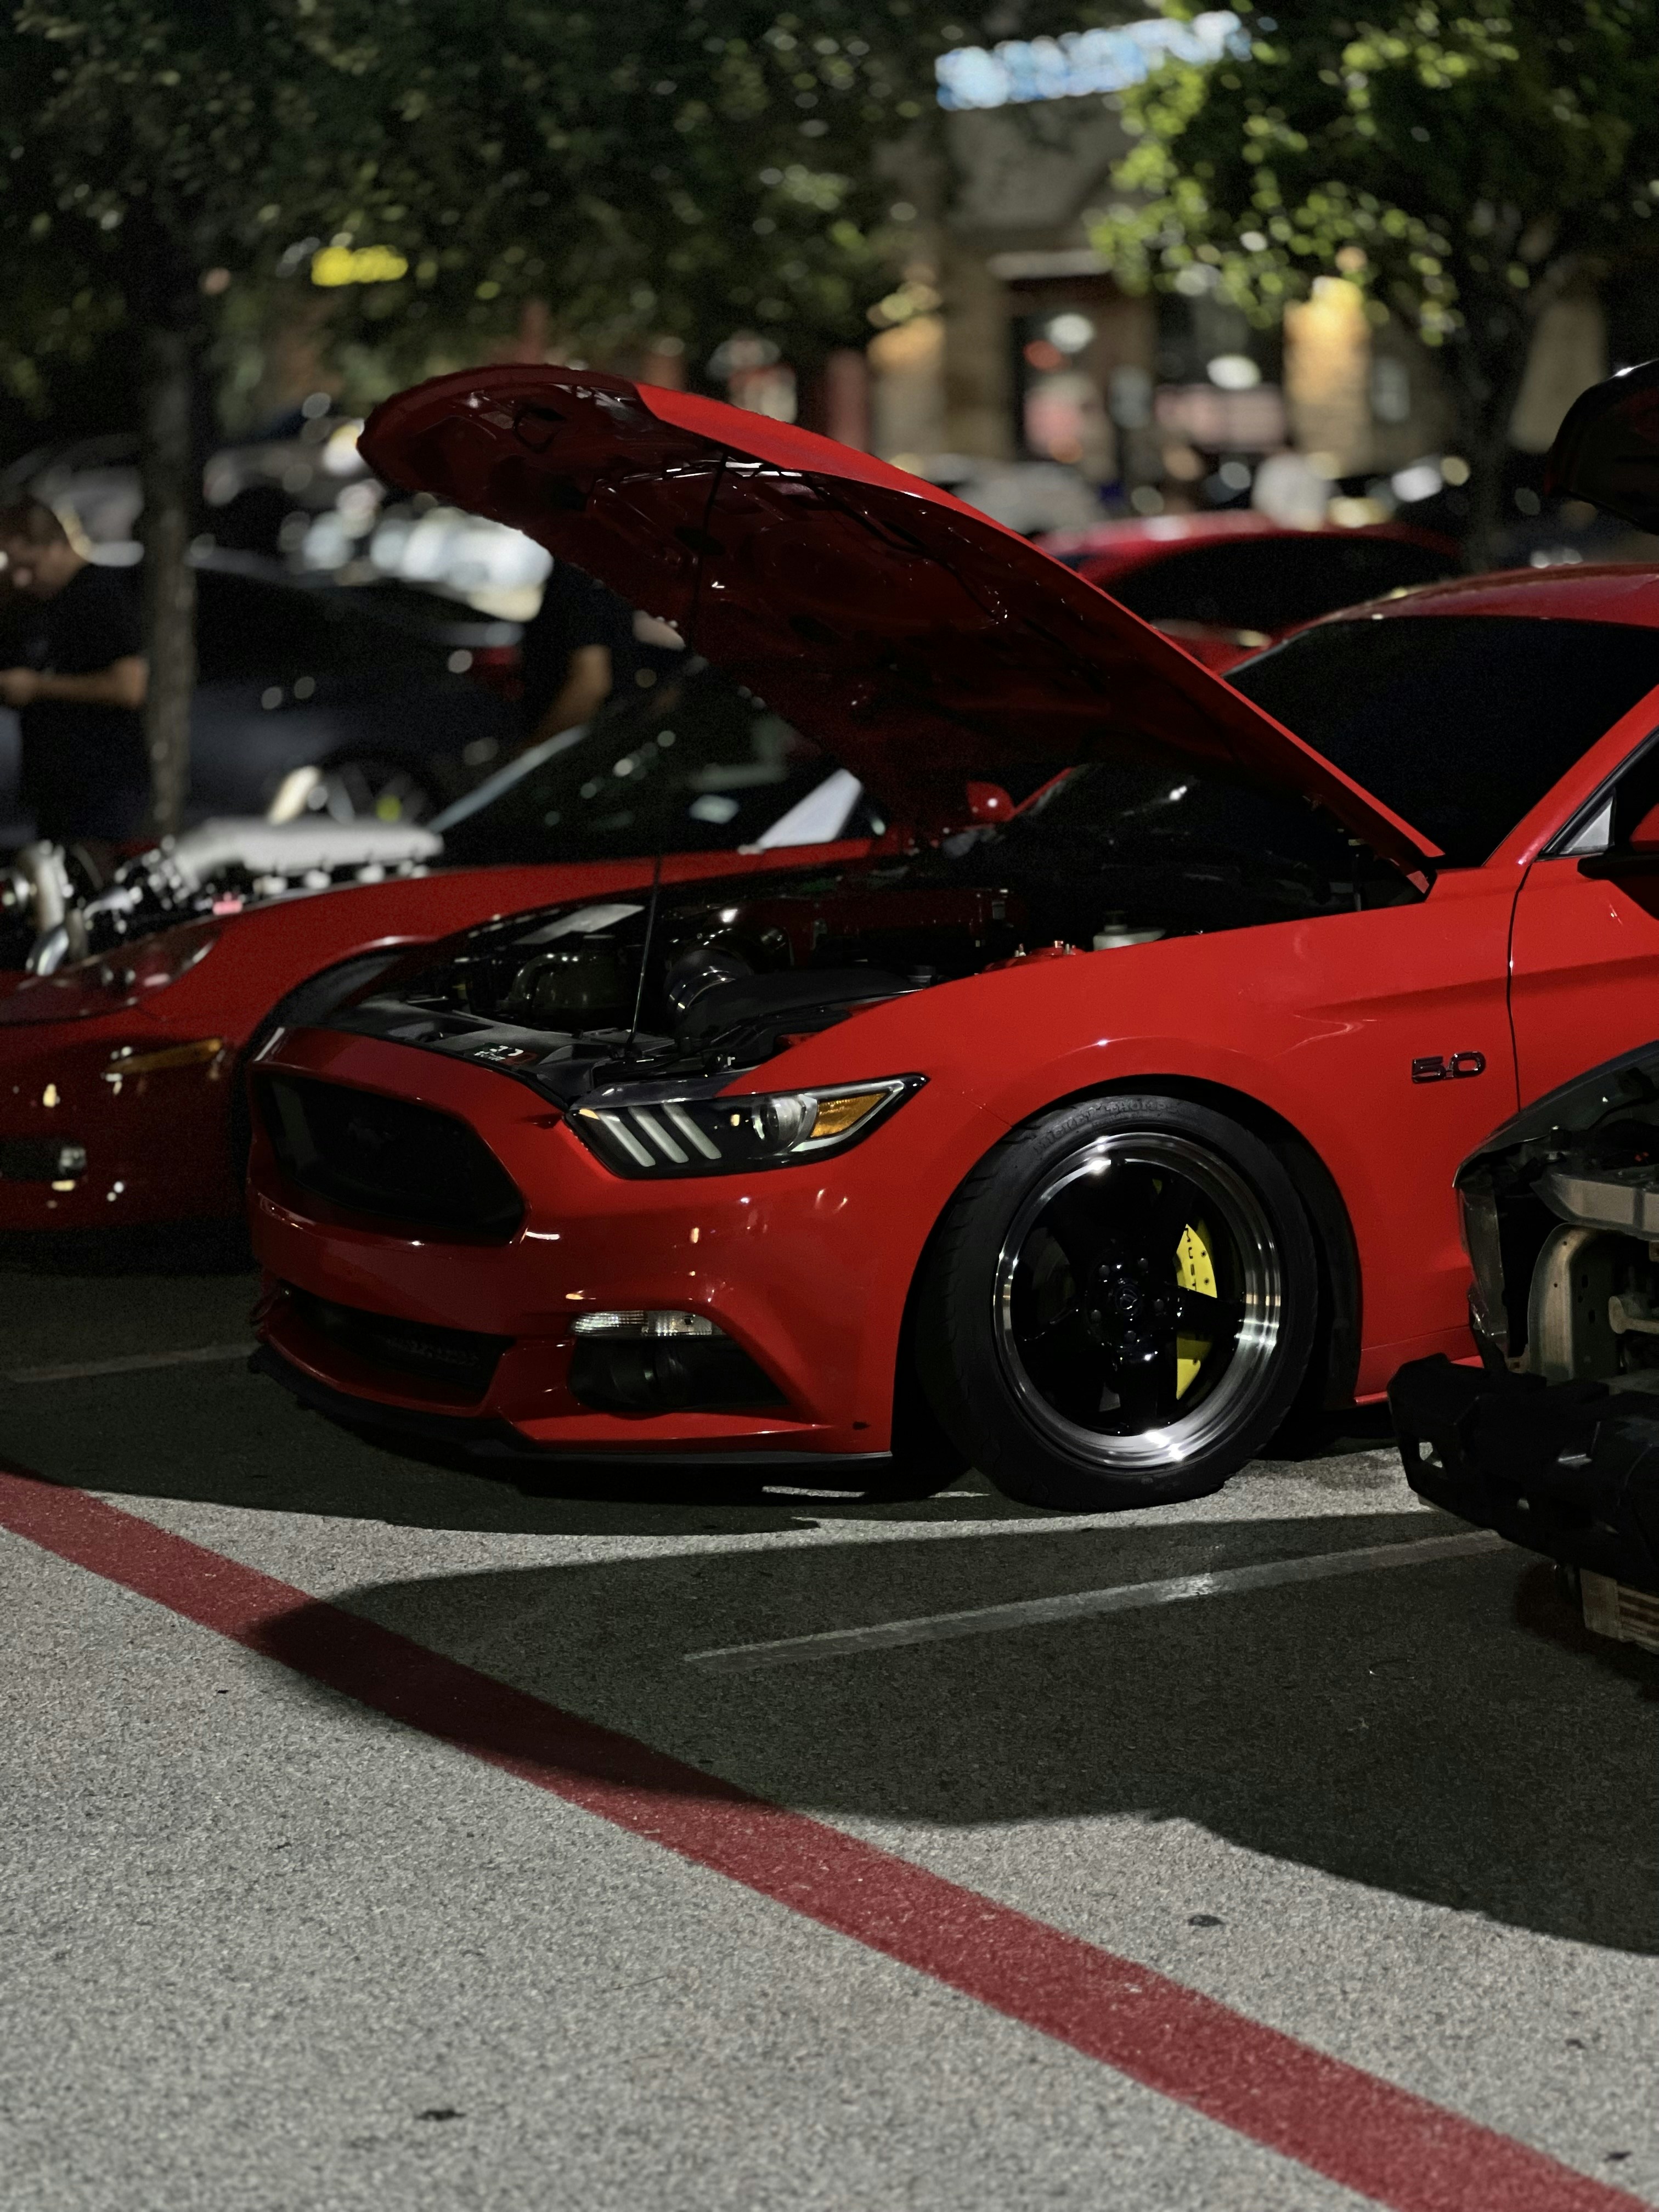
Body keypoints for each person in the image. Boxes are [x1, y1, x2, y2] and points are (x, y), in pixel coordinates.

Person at [0, 498, 149, 853]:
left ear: (55, 547)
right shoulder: (34, 603)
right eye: (13, 567)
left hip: (101, 791)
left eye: (30, 565)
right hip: (54, 788)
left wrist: (38, 688)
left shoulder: (100, 595)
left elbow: (129, 687)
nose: (22, 579)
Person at [518, 560, 684, 752]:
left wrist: (529, 757)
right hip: (622, 746)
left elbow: (591, 685)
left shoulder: (582, 572)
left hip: (581, 752)